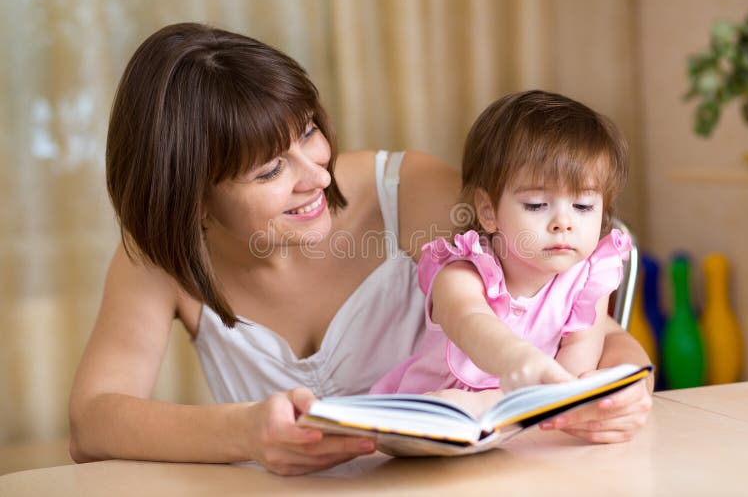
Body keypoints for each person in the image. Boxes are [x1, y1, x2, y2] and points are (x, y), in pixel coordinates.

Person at [68, 23, 653, 476]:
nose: (316, 177)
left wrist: (627, 376)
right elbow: (92, 421)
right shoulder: (160, 257)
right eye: (271, 169)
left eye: (307, 134)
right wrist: (246, 434)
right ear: (191, 200)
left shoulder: (414, 194)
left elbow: (562, 300)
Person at [372, 90, 634, 395]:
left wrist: (564, 401)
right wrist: (518, 361)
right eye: (536, 205)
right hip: (434, 414)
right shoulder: (462, 275)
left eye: (583, 206)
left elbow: (576, 365)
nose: (564, 222)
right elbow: (471, 322)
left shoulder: (589, 280)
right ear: (488, 210)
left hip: (524, 420)